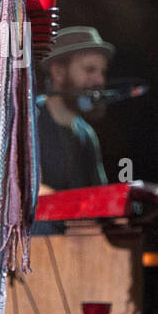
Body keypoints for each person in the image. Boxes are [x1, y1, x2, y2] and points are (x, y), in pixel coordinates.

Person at [36, 26, 112, 192]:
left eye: (102, 72)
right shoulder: (28, 120)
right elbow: (27, 191)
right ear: (58, 72)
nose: (100, 80)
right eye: (90, 69)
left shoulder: (86, 135)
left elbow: (99, 197)